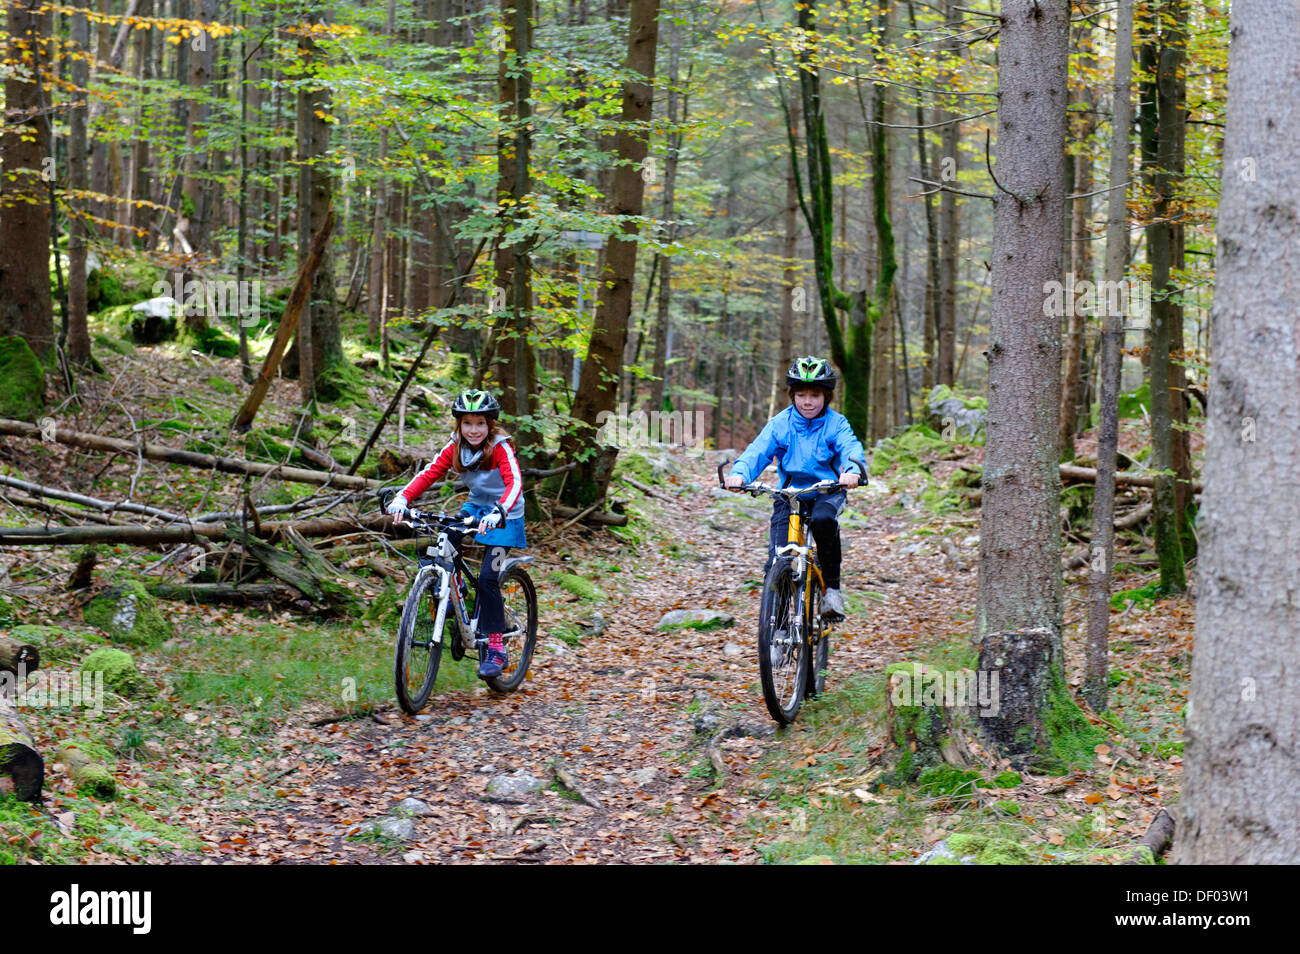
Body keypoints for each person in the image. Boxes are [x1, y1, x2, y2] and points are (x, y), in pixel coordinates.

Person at [386, 389, 525, 679]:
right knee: (443, 539)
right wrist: (402, 498)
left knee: (488, 577)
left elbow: (514, 483)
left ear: (490, 425)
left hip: (506, 515)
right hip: (476, 507)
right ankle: (451, 592)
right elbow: (428, 473)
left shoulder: (501, 447)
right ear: (458, 425)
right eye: (467, 423)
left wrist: (499, 511)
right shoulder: (455, 447)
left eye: (480, 423)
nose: (473, 430)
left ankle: (497, 647)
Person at [724, 356, 865, 619]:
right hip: (788, 495)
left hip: (827, 491)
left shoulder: (837, 423)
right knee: (777, 560)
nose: (808, 401)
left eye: (815, 394)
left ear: (827, 396)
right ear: (792, 395)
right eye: (801, 395)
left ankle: (831, 590)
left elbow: (850, 448)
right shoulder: (781, 423)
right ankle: (776, 628)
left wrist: (853, 471)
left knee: (824, 520)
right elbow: (757, 451)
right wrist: (739, 475)